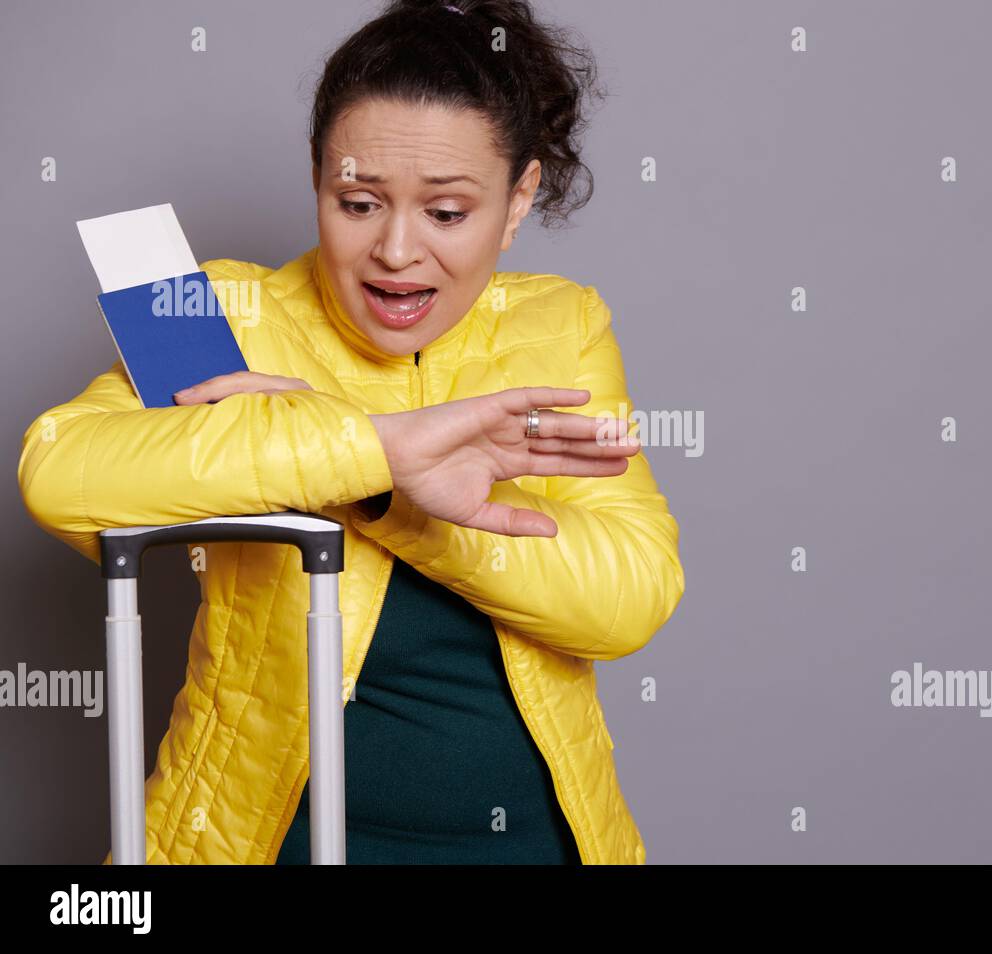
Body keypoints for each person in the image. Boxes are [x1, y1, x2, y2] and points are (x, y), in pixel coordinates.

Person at [16, 0, 684, 864]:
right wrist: (368, 445)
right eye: (359, 201)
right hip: (266, 843)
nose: (397, 252)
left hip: (524, 845)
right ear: (318, 175)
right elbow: (59, 472)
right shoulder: (220, 311)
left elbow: (631, 597)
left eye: (446, 213)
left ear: (519, 200)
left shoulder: (562, 325)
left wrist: (392, 502)